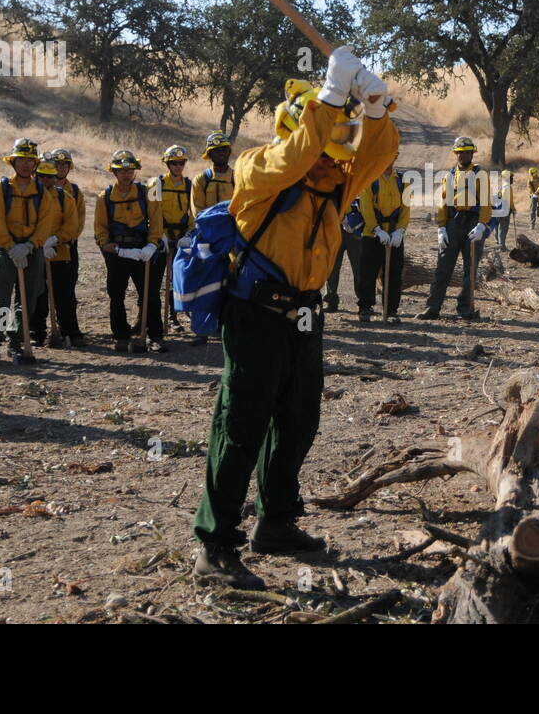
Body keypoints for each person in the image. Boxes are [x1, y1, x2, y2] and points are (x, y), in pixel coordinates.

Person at [191, 50, 397, 589]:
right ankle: (215, 544)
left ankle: (277, 522)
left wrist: (375, 111)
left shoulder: (333, 183)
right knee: (241, 426)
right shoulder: (259, 169)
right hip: (255, 314)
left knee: (299, 419)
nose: (335, 161)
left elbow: (377, 158)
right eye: (327, 148)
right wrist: (331, 97)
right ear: (301, 130)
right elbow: (295, 157)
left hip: (304, 317)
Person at [0, 138, 59, 364]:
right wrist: (11, 247)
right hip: (6, 251)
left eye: (29, 160)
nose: (25, 164)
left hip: (32, 251)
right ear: (13, 162)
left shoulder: (43, 192)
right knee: (1, 299)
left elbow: (45, 223)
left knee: (27, 300)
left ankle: (16, 342)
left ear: (35, 164)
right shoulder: (0, 189)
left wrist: (31, 245)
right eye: (21, 160)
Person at [95, 150, 165, 352]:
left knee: (149, 293)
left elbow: (156, 221)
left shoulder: (147, 193)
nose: (126, 174)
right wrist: (107, 245)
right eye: (121, 171)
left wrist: (152, 244)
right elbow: (100, 227)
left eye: (130, 171)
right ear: (114, 172)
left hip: (142, 250)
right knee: (116, 294)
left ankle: (155, 335)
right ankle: (121, 335)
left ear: (135, 172)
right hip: (117, 252)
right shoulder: (104, 197)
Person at [418, 136, 491, 320]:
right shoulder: (449, 175)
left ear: (472, 154)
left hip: (473, 222)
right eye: (460, 152)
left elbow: (486, 202)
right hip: (453, 223)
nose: (464, 155)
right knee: (443, 267)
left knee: (470, 269)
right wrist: (441, 228)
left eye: (467, 152)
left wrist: (482, 225)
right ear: (456, 154)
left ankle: (465, 308)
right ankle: (433, 307)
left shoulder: (480, 174)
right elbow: (443, 202)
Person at [28, 157, 81, 347]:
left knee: (65, 296)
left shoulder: (64, 197)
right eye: (42, 176)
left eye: (49, 177)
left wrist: (55, 240)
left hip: (60, 254)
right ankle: (36, 333)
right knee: (38, 296)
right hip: (35, 254)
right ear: (35, 175)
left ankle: (70, 332)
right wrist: (38, 243)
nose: (46, 180)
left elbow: (72, 225)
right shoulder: (28, 197)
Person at [356, 159, 408, 322]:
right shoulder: (370, 178)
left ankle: (391, 310)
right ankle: (365, 307)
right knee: (368, 272)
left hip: (394, 235)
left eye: (392, 157)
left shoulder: (401, 180)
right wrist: (376, 229)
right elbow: (366, 206)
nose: (389, 161)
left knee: (394, 274)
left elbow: (406, 208)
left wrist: (400, 230)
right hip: (372, 234)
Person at [49, 147, 87, 346]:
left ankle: (70, 330)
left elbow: (78, 222)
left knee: (67, 291)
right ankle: (37, 331)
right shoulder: (42, 187)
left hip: (67, 248)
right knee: (40, 292)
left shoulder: (75, 191)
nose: (61, 168)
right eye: (57, 164)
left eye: (65, 164)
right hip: (42, 247)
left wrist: (62, 239)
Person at [156, 145, 194, 336]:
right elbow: (151, 212)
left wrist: (188, 235)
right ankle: (170, 317)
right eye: (174, 163)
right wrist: (159, 234)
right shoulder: (155, 184)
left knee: (182, 277)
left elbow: (193, 214)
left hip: (182, 239)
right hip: (161, 239)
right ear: (167, 164)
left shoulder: (190, 186)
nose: (178, 166)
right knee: (163, 279)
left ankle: (182, 311)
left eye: (181, 163)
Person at [490, 169, 515, 249]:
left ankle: (498, 243)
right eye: (511, 177)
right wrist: (513, 208)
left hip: (498, 210)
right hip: (504, 210)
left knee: (497, 227)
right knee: (503, 228)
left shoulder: (501, 187)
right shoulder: (508, 187)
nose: (512, 179)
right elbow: (509, 200)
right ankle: (502, 246)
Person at [527, 166, 539, 232]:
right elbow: (530, 189)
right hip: (534, 197)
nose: (535, 174)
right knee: (532, 211)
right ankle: (532, 225)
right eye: (533, 173)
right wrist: (534, 194)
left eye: (535, 173)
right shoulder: (529, 181)